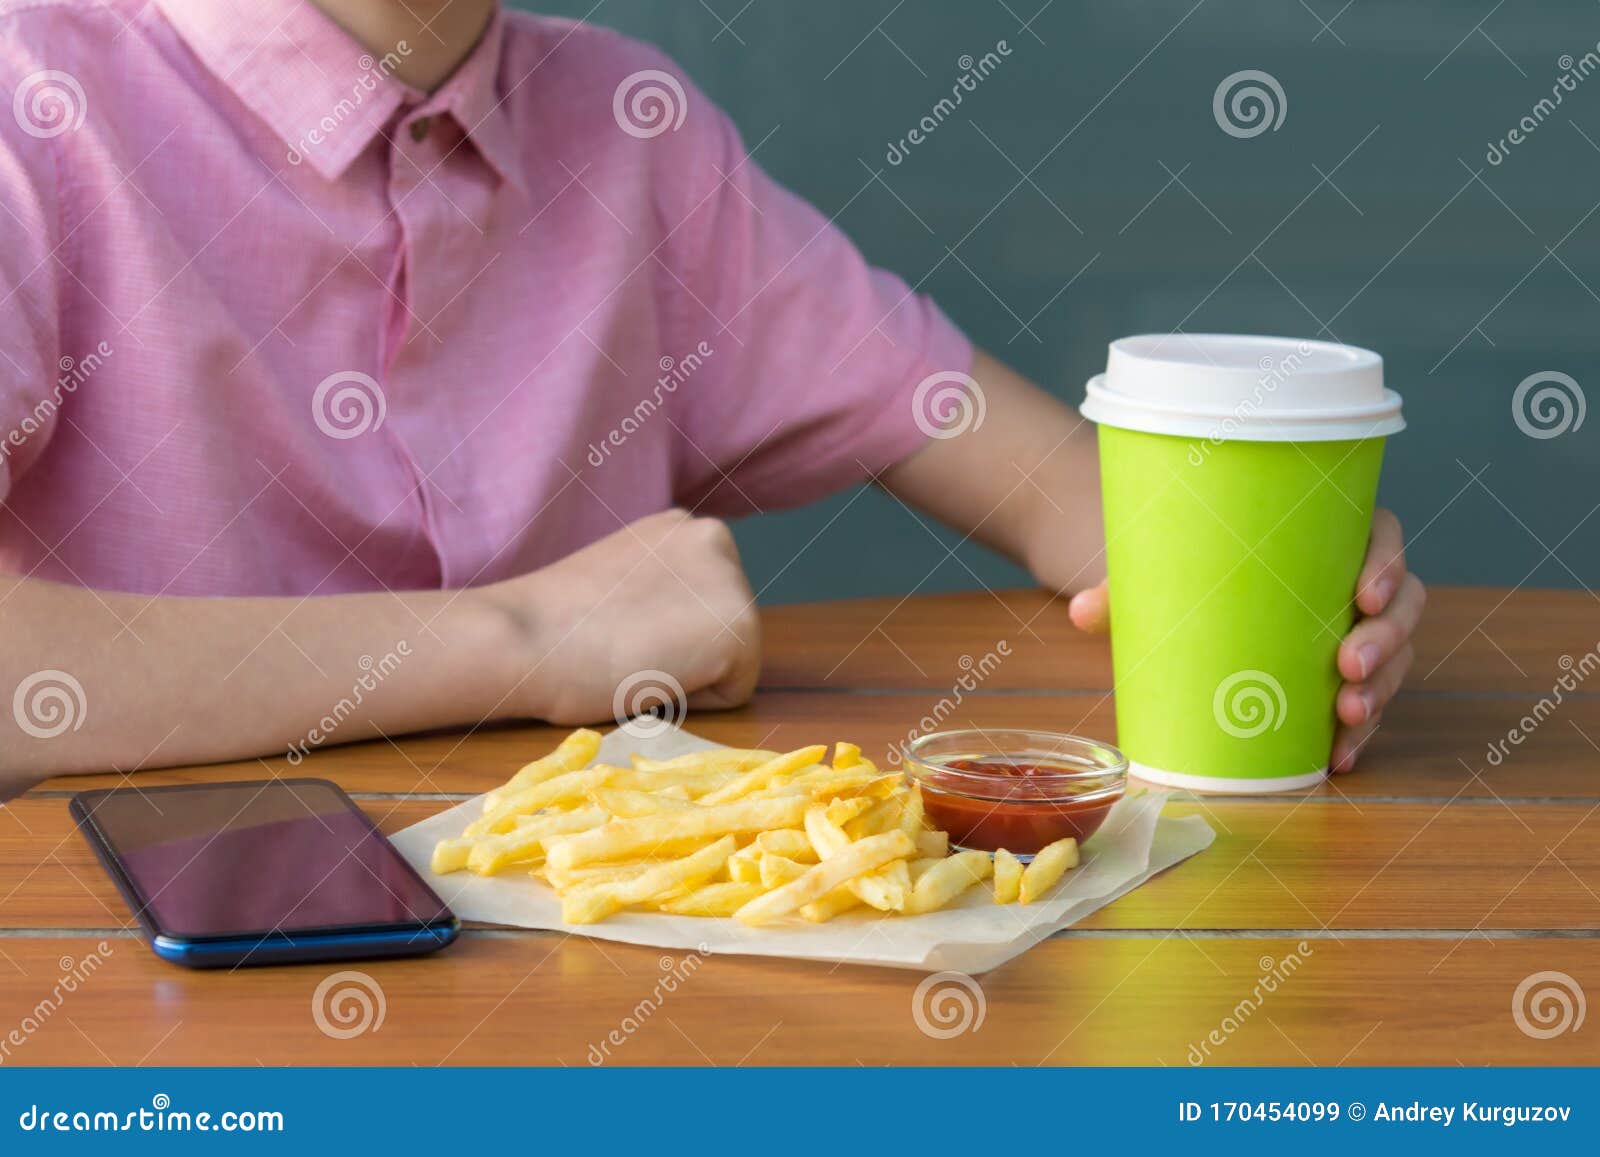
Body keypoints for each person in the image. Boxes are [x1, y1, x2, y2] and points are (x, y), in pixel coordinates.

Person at [0, 0, 1424, 798]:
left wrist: (1284, 566)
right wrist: (529, 637)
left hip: (599, 1015)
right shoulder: (32, 100)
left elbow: (1067, 493)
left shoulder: (630, 129)